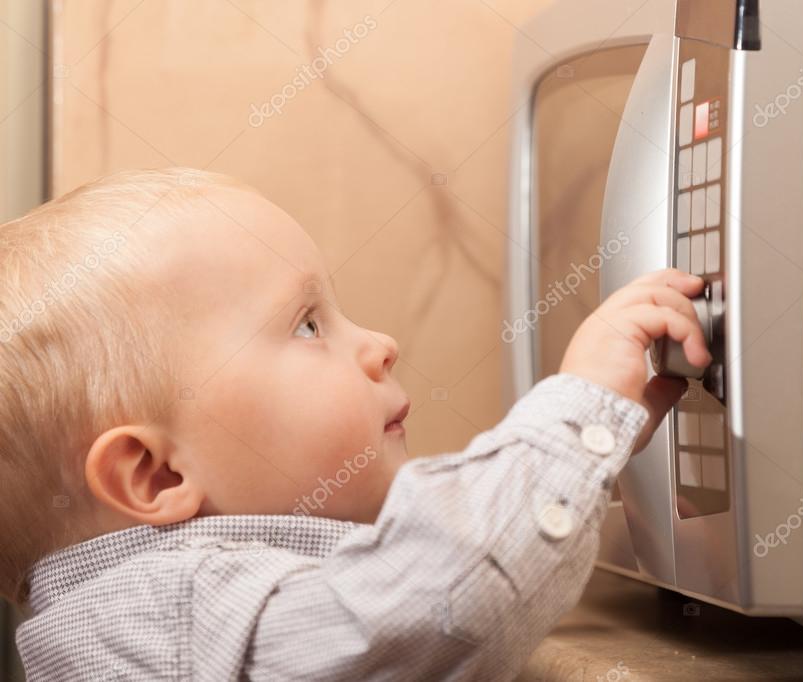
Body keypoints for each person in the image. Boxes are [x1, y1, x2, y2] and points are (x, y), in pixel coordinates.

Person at [0, 168, 710, 680]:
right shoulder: (163, 612)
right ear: (155, 475)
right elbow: (446, 595)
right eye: (308, 325)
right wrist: (579, 407)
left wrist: (596, 453)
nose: (380, 345)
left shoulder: (157, 613)